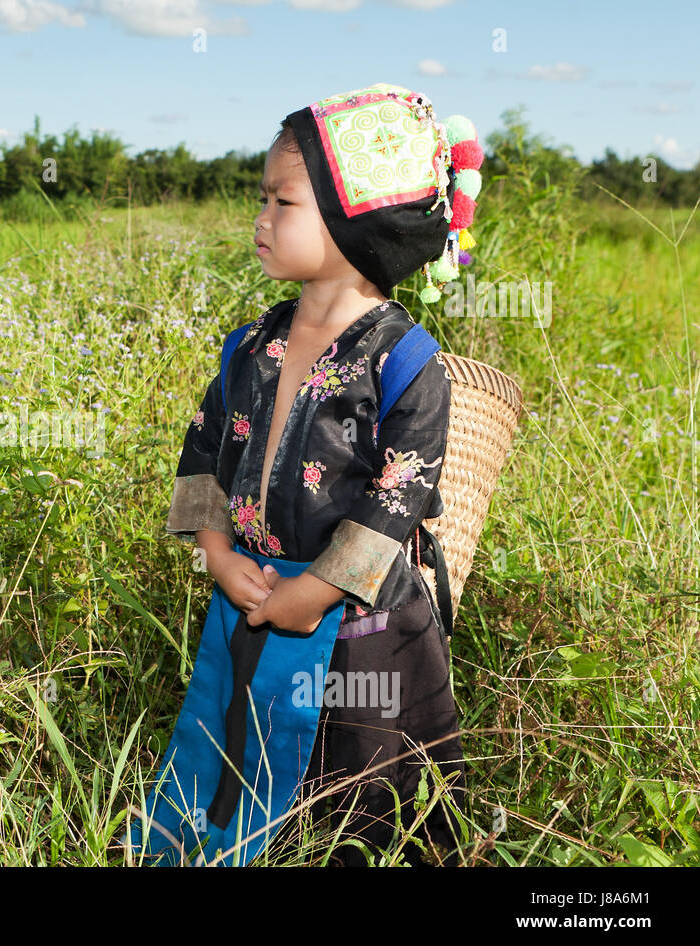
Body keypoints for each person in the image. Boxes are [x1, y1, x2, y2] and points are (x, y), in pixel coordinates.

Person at [129, 83, 483, 867]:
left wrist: (316, 592)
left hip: (359, 622)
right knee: (233, 747)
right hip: (251, 591)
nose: (259, 220)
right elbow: (202, 449)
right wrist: (217, 554)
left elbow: (400, 495)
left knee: (351, 781)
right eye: (261, 199)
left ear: (354, 217)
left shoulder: (407, 363)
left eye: (280, 201)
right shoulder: (250, 345)